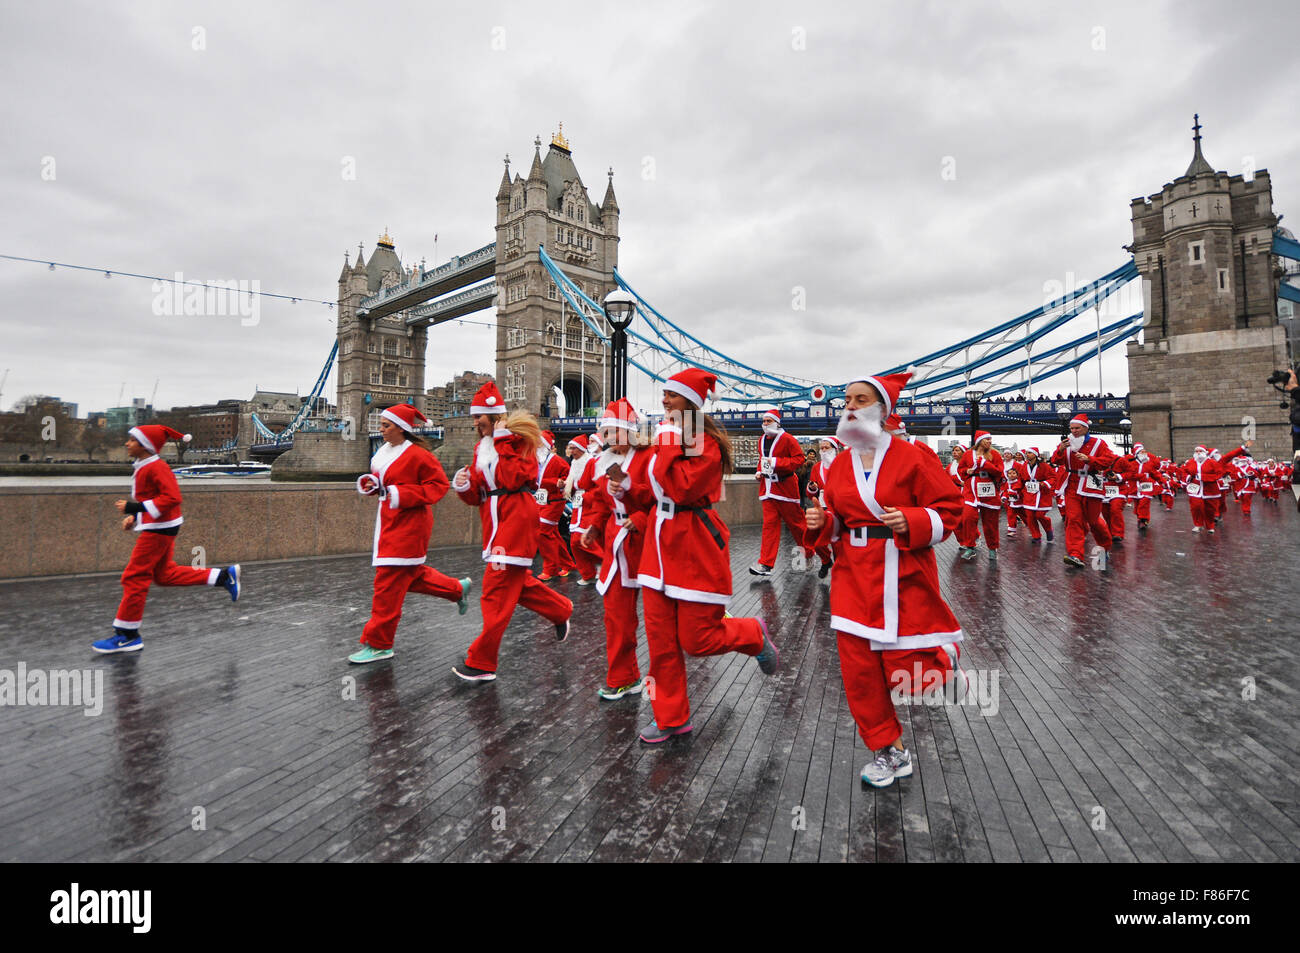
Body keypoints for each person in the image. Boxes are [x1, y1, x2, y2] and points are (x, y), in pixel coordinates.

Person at [803, 371, 966, 789]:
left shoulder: (914, 458)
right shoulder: (838, 465)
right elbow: (840, 519)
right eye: (847, 400)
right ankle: (889, 752)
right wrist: (825, 522)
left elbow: (950, 509)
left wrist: (911, 519)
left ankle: (942, 667)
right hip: (852, 577)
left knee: (904, 667)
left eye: (860, 399)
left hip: (903, 571)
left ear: (882, 410)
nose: (850, 406)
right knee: (859, 672)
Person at [635, 368, 778, 744]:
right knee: (661, 643)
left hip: (693, 544)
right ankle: (670, 718)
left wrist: (664, 445)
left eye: (672, 395)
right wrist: (623, 489)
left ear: (692, 403)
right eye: (664, 393)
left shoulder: (704, 443)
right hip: (657, 551)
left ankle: (752, 634)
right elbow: (647, 489)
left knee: (697, 640)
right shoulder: (663, 438)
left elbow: (683, 488)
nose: (664, 400)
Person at [450, 382, 573, 681]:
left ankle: (481, 662)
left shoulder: (518, 441)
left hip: (516, 521)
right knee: (518, 586)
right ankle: (560, 610)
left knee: (495, 592)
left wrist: (504, 440)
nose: (475, 422)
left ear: (495, 417)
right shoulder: (482, 447)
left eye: (480, 417)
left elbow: (517, 478)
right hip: (494, 525)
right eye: (475, 417)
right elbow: (480, 493)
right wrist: (463, 485)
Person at [93, 425, 240, 654]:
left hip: (160, 529)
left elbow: (172, 497)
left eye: (131, 440)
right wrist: (135, 516)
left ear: (145, 446)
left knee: (134, 577)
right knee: (164, 575)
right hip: (161, 525)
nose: (126, 444)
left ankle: (128, 635)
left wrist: (134, 507)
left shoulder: (156, 466)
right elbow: (154, 498)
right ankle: (223, 577)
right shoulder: (145, 465)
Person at [349, 403, 472, 664]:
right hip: (389, 521)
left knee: (387, 585)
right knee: (411, 577)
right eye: (381, 425)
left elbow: (439, 486)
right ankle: (456, 590)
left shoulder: (419, 455)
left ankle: (380, 644)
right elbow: (386, 485)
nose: (381, 430)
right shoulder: (385, 452)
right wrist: (374, 486)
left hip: (409, 525)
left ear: (401, 428)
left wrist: (397, 493)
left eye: (386, 425)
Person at [583, 398, 654, 700]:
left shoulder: (648, 458)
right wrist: (595, 526)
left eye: (614, 431)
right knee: (616, 616)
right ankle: (624, 677)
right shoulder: (604, 462)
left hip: (648, 544)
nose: (609, 438)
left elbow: (661, 500)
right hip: (617, 544)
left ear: (629, 431)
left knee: (667, 616)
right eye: (606, 432)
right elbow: (600, 501)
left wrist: (639, 517)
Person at [749, 408, 815, 575]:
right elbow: (762, 460)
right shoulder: (761, 440)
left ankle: (809, 553)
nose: (765, 424)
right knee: (769, 526)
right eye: (763, 421)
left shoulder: (788, 439)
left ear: (777, 423)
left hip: (786, 488)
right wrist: (759, 471)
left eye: (768, 421)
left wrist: (776, 462)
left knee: (797, 526)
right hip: (768, 489)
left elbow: (799, 459)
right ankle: (765, 564)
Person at [1050, 414, 1116, 568]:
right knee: (1073, 519)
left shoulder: (1098, 443)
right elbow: (1054, 461)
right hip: (1072, 484)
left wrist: (1090, 460)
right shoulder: (1066, 443)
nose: (1074, 431)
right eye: (1072, 428)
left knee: (1094, 521)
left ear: (1086, 428)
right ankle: (1075, 554)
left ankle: (1105, 547)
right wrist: (1059, 451)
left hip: (1091, 483)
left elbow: (1108, 460)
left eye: (1077, 428)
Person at [957, 431, 1004, 562]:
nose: (989, 441)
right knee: (967, 517)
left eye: (990, 439)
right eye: (987, 439)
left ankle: (992, 548)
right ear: (979, 441)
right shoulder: (967, 454)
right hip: (970, 490)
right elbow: (961, 470)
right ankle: (970, 546)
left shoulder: (994, 454)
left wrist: (985, 465)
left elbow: (999, 471)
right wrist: (966, 471)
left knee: (990, 523)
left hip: (988, 491)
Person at [535, 430, 575, 580]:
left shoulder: (557, 461)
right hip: (542, 501)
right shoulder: (536, 460)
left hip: (555, 501)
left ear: (544, 446)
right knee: (552, 534)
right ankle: (568, 564)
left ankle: (550, 568)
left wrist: (560, 483)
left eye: (538, 443)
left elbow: (568, 477)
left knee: (544, 532)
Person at [564, 434, 603, 585]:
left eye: (574, 448)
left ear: (581, 449)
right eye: (570, 448)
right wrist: (565, 486)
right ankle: (588, 573)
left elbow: (598, 487)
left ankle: (607, 564)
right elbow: (574, 485)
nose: (571, 451)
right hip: (577, 506)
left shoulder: (591, 463)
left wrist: (588, 497)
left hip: (589, 506)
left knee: (581, 540)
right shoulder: (574, 463)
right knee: (575, 543)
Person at [806, 436, 843, 578]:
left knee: (837, 542)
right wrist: (812, 487)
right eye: (821, 448)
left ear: (835, 449)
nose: (823, 451)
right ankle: (826, 560)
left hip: (838, 509)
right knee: (816, 540)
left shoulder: (843, 465)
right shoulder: (817, 467)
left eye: (827, 448)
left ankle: (840, 573)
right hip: (822, 507)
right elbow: (810, 493)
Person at [1013, 447, 1057, 543]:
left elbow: (1053, 477)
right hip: (1029, 493)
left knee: (1039, 515)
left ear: (1035, 455)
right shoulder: (1024, 466)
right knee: (1030, 516)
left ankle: (1048, 528)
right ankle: (1036, 536)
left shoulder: (1044, 466)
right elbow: (1021, 479)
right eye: (1026, 453)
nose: (1027, 454)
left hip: (1042, 494)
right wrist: (1015, 489)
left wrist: (1045, 483)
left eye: (1029, 453)